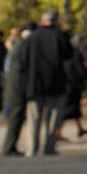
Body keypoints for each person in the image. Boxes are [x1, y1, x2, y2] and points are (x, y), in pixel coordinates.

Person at [20, 9, 73, 157]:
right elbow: (68, 54)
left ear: (42, 20)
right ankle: (48, 146)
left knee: (34, 117)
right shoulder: (60, 36)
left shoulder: (31, 37)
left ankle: (32, 148)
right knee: (54, 116)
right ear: (56, 21)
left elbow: (23, 60)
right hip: (55, 82)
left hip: (35, 83)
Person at [1, 22, 35, 156]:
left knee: (16, 116)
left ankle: (10, 147)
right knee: (16, 117)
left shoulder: (19, 44)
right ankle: (9, 147)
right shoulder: (23, 45)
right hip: (17, 87)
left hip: (14, 86)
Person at [55, 34, 87, 141]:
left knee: (74, 109)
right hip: (73, 85)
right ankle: (57, 132)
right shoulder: (76, 55)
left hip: (68, 84)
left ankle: (80, 128)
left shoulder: (67, 53)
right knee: (68, 109)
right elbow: (79, 71)